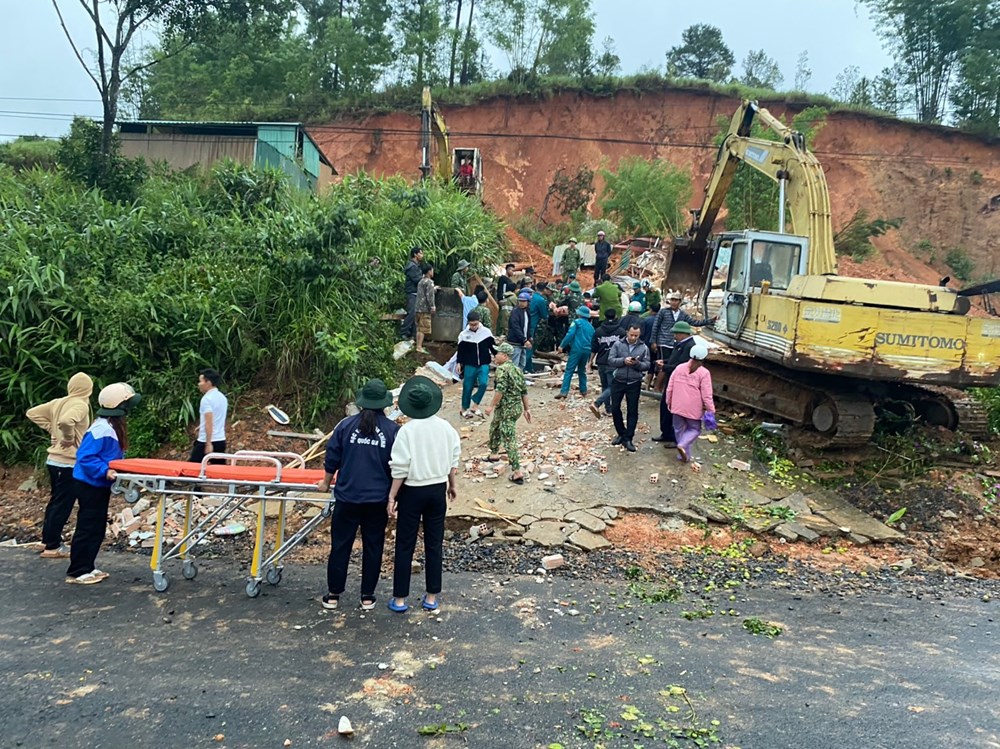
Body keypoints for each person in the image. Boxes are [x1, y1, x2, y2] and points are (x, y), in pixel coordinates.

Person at [316, 379, 398, 611]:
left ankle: (333, 595)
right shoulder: (393, 431)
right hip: (378, 499)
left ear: (361, 402)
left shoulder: (345, 426)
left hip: (347, 497)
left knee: (341, 545)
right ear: (385, 404)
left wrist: (324, 483)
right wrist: (395, 497)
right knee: (373, 546)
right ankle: (367, 597)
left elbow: (332, 457)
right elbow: (398, 467)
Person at [388, 376, 461, 613]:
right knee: (434, 544)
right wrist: (452, 484)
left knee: (405, 543)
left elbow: (400, 467)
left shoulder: (406, 431)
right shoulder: (446, 428)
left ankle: (400, 599)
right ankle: (431, 596)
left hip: (411, 491)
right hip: (437, 490)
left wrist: (392, 496)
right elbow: (453, 460)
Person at [66, 382, 140, 585]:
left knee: (97, 526)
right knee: (88, 526)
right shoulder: (101, 429)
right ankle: (78, 570)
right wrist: (105, 470)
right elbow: (85, 456)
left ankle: (87, 566)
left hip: (97, 484)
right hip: (90, 483)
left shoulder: (110, 427)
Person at [26, 372, 94, 559]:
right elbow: (66, 421)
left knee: (55, 501)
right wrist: (68, 437)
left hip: (53, 460)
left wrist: (51, 429)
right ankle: (52, 546)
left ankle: (47, 539)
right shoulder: (80, 404)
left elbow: (32, 413)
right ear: (88, 389)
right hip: (68, 463)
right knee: (63, 504)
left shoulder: (59, 401)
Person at [485, 343, 532, 484]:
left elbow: (500, 390)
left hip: (507, 409)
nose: (495, 356)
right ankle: (494, 454)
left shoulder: (502, 370)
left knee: (509, 438)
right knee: (494, 427)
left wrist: (490, 406)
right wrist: (526, 409)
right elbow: (524, 391)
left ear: (505, 356)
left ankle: (517, 472)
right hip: (514, 408)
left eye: (498, 353)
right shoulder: (517, 370)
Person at [667, 344, 716, 472]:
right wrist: (711, 410)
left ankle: (683, 455)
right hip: (693, 409)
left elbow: (670, 387)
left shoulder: (679, 368)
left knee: (679, 429)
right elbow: (707, 395)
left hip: (677, 406)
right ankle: (682, 445)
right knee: (694, 429)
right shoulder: (704, 373)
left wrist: (669, 402)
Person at [652, 321, 697, 447]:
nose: (674, 336)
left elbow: (681, 366)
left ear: (683, 334)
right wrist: (665, 362)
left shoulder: (689, 346)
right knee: (665, 407)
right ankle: (666, 433)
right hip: (671, 380)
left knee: (674, 411)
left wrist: (665, 367)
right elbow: (674, 360)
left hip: (679, 383)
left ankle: (675, 438)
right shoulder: (680, 345)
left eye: (676, 333)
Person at [650, 291, 713, 380]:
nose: (673, 302)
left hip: (675, 343)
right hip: (663, 342)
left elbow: (695, 322)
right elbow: (655, 326)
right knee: (663, 365)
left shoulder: (683, 314)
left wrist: (710, 321)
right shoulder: (663, 312)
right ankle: (658, 386)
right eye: (672, 300)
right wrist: (653, 341)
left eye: (676, 300)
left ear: (680, 302)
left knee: (672, 363)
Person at [607, 324, 650, 453]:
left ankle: (629, 438)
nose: (633, 337)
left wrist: (637, 364)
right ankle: (621, 433)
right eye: (631, 335)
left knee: (632, 410)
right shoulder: (618, 345)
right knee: (615, 408)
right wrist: (623, 361)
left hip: (634, 382)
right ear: (627, 333)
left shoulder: (643, 347)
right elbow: (610, 360)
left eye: (636, 335)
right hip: (618, 380)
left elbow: (647, 365)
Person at [457, 311, 495, 417]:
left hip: (484, 363)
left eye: (476, 324)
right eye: (471, 324)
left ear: (479, 322)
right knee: (468, 386)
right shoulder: (464, 335)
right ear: (468, 323)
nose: (473, 327)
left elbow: (492, 347)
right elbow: (460, 351)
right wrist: (459, 363)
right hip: (470, 364)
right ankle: (464, 408)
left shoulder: (486, 332)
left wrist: (497, 356)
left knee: (483, 383)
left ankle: (475, 405)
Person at [588, 309, 622, 419]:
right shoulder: (621, 331)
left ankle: (608, 409)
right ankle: (598, 403)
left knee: (605, 386)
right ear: (616, 316)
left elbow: (594, 348)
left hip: (601, 362)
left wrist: (590, 362)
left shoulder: (598, 331)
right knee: (613, 386)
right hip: (614, 362)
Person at [189, 368, 228, 464]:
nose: (198, 384)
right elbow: (217, 417)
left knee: (191, 469)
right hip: (220, 440)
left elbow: (209, 423)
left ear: (208, 383)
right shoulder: (222, 397)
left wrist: (208, 443)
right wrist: (201, 425)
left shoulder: (206, 399)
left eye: (200, 381)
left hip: (206, 441)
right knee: (219, 472)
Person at [556, 306, 595, 399]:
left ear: (579, 314)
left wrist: (562, 345)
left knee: (569, 370)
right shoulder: (591, 327)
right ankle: (583, 390)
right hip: (587, 350)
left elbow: (570, 334)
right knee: (582, 371)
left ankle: (564, 391)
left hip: (577, 349)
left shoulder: (576, 323)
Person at [525, 281, 551, 372]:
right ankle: (524, 367)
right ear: (544, 289)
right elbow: (544, 315)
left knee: (526, 345)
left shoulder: (531, 297)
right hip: (533, 325)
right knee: (530, 347)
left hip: (525, 323)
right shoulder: (541, 300)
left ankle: (529, 368)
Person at [507, 289, 533, 371]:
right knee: (515, 363)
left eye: (524, 301)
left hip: (522, 342)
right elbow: (516, 328)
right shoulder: (515, 312)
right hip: (515, 342)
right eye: (520, 301)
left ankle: (519, 378)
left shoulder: (526, 312)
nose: (521, 303)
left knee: (522, 363)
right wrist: (524, 340)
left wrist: (529, 337)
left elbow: (527, 326)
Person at [402, 247, 424, 340]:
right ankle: (403, 333)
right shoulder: (412, 266)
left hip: (415, 293)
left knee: (415, 314)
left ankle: (413, 335)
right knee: (411, 313)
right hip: (412, 293)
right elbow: (417, 280)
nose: (422, 255)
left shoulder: (416, 266)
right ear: (415, 254)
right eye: (421, 253)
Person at [415, 262, 436, 354]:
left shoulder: (421, 281)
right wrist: (432, 306)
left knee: (419, 327)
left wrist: (434, 289)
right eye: (432, 270)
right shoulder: (430, 282)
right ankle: (419, 347)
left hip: (418, 308)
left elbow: (423, 292)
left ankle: (418, 345)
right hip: (425, 309)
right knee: (423, 329)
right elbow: (429, 295)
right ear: (429, 271)